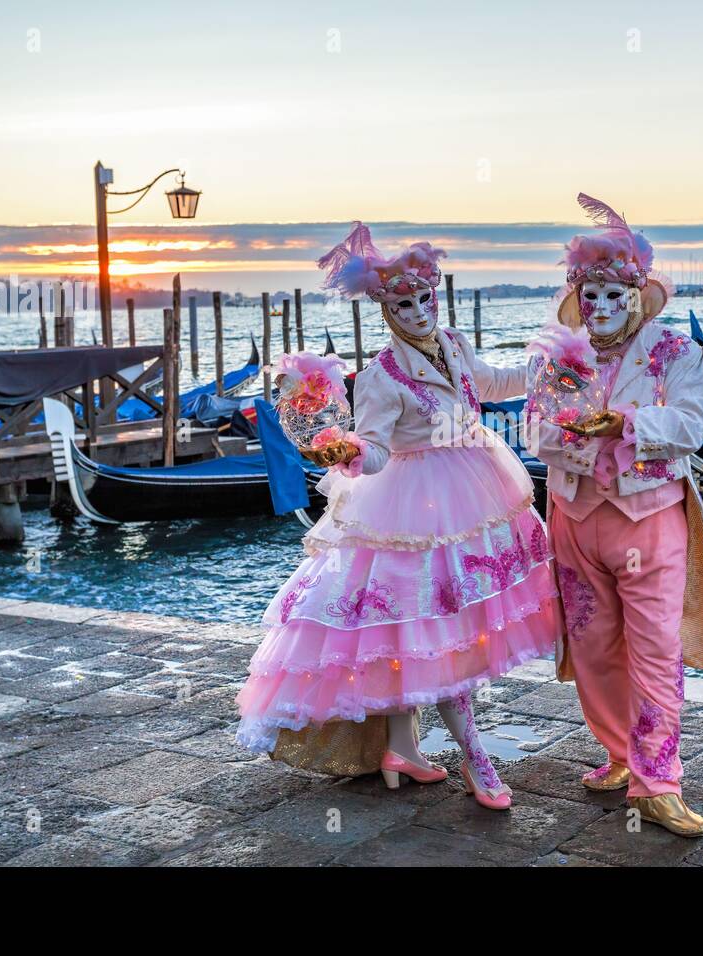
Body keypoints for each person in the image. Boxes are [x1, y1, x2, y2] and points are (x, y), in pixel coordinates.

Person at [236, 222, 559, 810]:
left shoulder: (455, 342)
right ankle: (474, 757)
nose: (415, 311)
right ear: (387, 309)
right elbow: (378, 449)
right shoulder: (383, 375)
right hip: (415, 506)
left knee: (426, 631)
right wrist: (349, 450)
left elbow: (489, 383)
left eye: (422, 299)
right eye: (402, 303)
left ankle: (401, 750)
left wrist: (545, 366)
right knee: (433, 626)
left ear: (435, 297)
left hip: (475, 482)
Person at [526, 194, 703, 835]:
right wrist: (571, 433)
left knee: (654, 648)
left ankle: (659, 781)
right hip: (573, 517)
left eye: (612, 295)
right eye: (589, 296)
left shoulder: (678, 352)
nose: (599, 308)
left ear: (636, 293)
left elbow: (693, 425)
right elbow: (533, 431)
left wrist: (624, 423)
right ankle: (621, 754)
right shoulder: (556, 356)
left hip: (648, 518)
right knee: (594, 648)